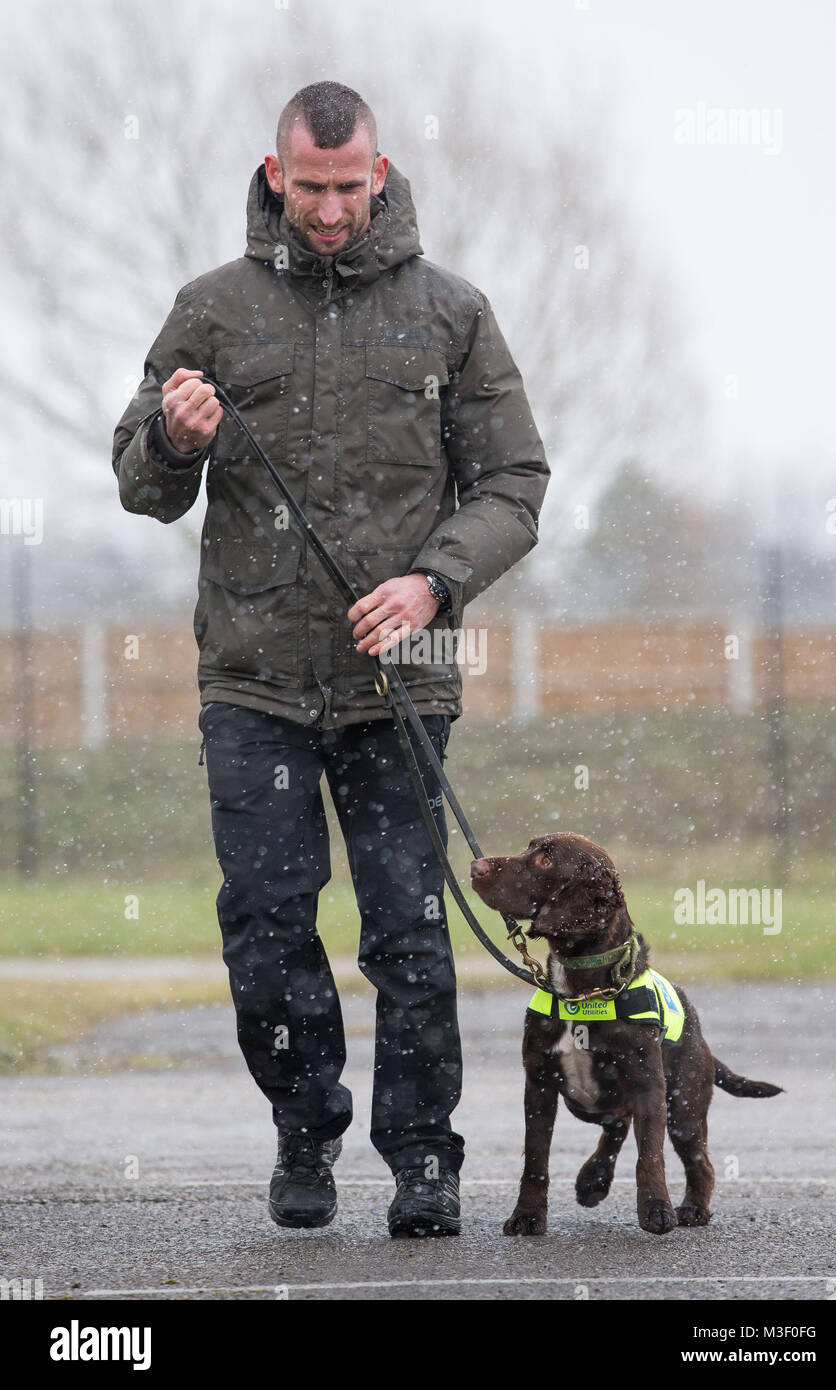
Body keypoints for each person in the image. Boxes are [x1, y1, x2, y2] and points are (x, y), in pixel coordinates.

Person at [112, 80, 549, 1238]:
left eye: (347, 187)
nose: (327, 208)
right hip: (251, 682)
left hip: (395, 688)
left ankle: (422, 1159)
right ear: (274, 173)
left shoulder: (451, 312)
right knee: (265, 920)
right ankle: (303, 1132)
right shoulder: (209, 309)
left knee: (408, 927)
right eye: (307, 187)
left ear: (381, 171)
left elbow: (515, 483)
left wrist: (435, 581)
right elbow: (139, 484)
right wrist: (170, 434)